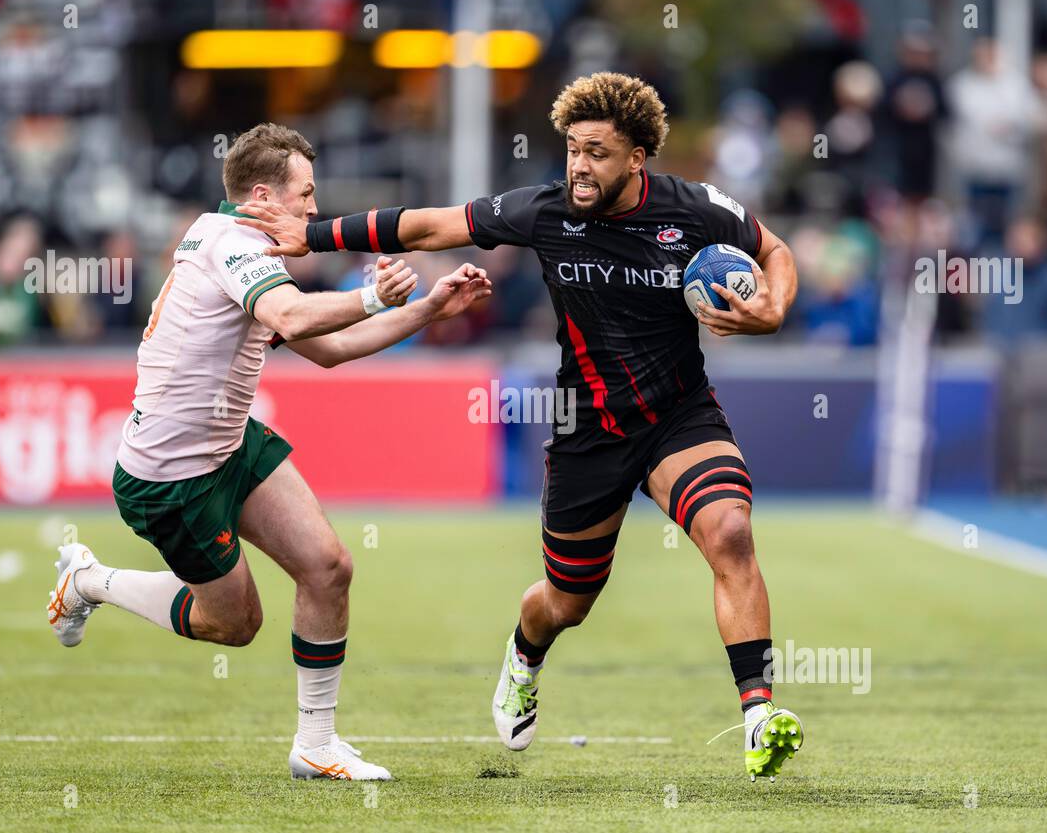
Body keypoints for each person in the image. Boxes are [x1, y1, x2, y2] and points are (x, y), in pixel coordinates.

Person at [237, 74, 805, 781]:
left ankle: (757, 714)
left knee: (731, 531)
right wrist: (311, 236)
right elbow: (427, 225)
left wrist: (773, 308)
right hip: (587, 433)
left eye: (596, 152)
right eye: (571, 149)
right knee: (565, 602)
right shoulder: (543, 211)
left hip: (679, 416)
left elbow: (775, 249)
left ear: (637, 158)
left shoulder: (696, 210)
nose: (577, 166)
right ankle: (524, 656)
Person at [43, 123, 491, 781]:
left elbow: (329, 350)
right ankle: (89, 581)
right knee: (234, 623)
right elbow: (295, 319)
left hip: (228, 441)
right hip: (172, 478)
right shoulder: (231, 247)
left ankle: (316, 744)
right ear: (263, 194)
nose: (314, 211)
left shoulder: (239, 245)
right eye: (305, 195)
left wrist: (428, 309)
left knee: (329, 566)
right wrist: (373, 294)